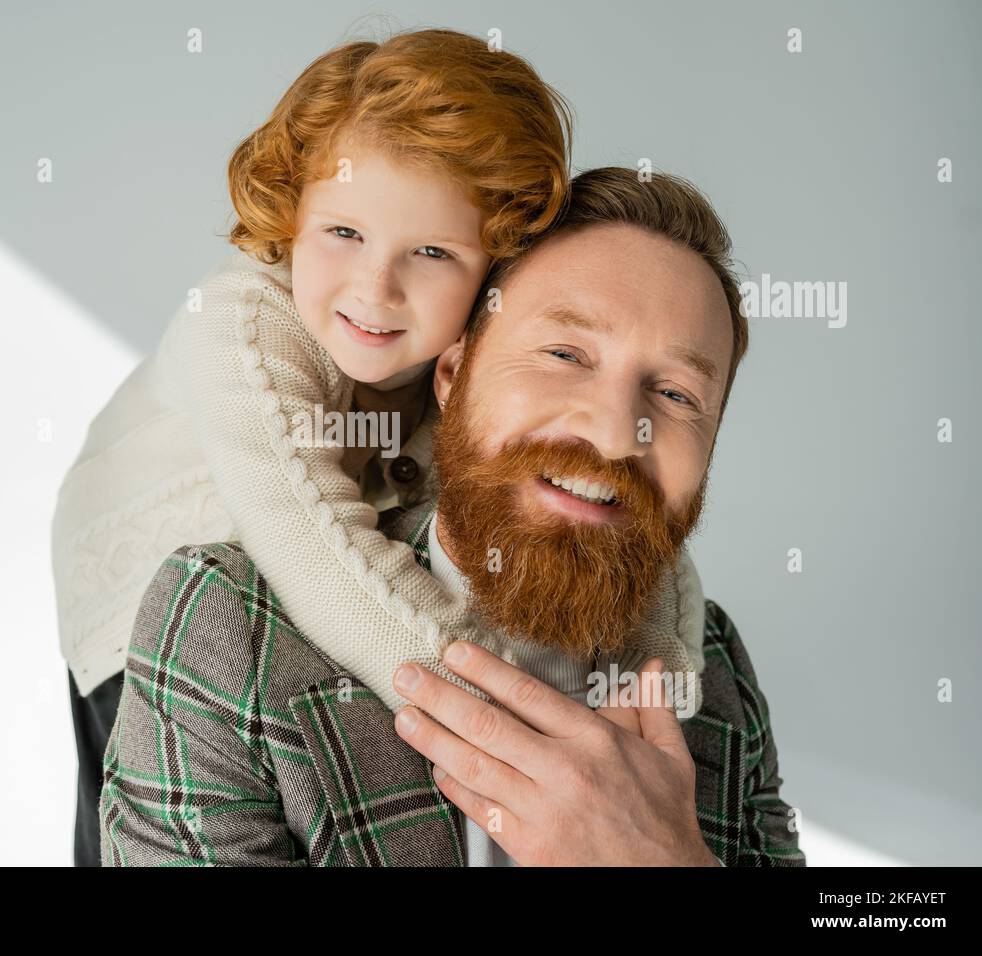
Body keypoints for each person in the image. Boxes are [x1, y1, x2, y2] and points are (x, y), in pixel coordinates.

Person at [53, 29, 703, 866]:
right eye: (342, 232)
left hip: (328, 597)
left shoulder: (469, 358)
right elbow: (307, 542)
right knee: (136, 822)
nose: (376, 287)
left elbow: (633, 521)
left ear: (494, 266)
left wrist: (658, 683)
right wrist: (516, 714)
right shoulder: (246, 326)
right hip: (142, 603)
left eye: (432, 252)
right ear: (291, 215)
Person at [99, 167, 805, 867]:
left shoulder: (714, 660)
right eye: (564, 354)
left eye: (677, 395)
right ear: (453, 377)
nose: (619, 433)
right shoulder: (229, 629)